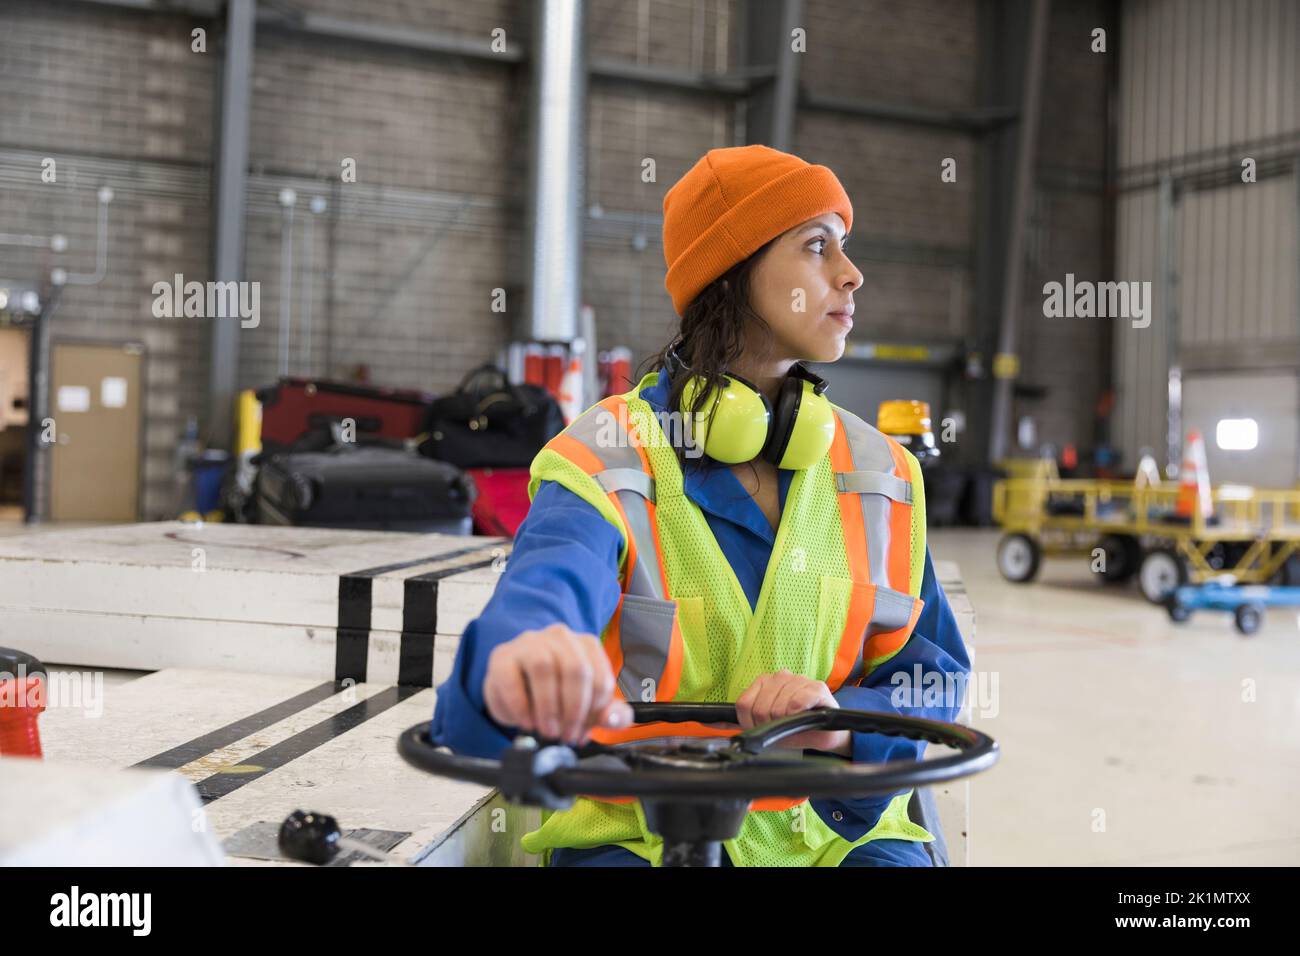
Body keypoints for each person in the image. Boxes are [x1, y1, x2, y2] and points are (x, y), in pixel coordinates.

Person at [431, 144, 971, 867]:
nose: (851, 273)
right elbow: (549, 586)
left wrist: (846, 724)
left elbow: (933, 672)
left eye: (846, 247)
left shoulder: (882, 470)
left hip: (835, 839)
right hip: (642, 838)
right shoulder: (609, 455)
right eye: (817, 246)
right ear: (732, 272)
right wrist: (528, 649)